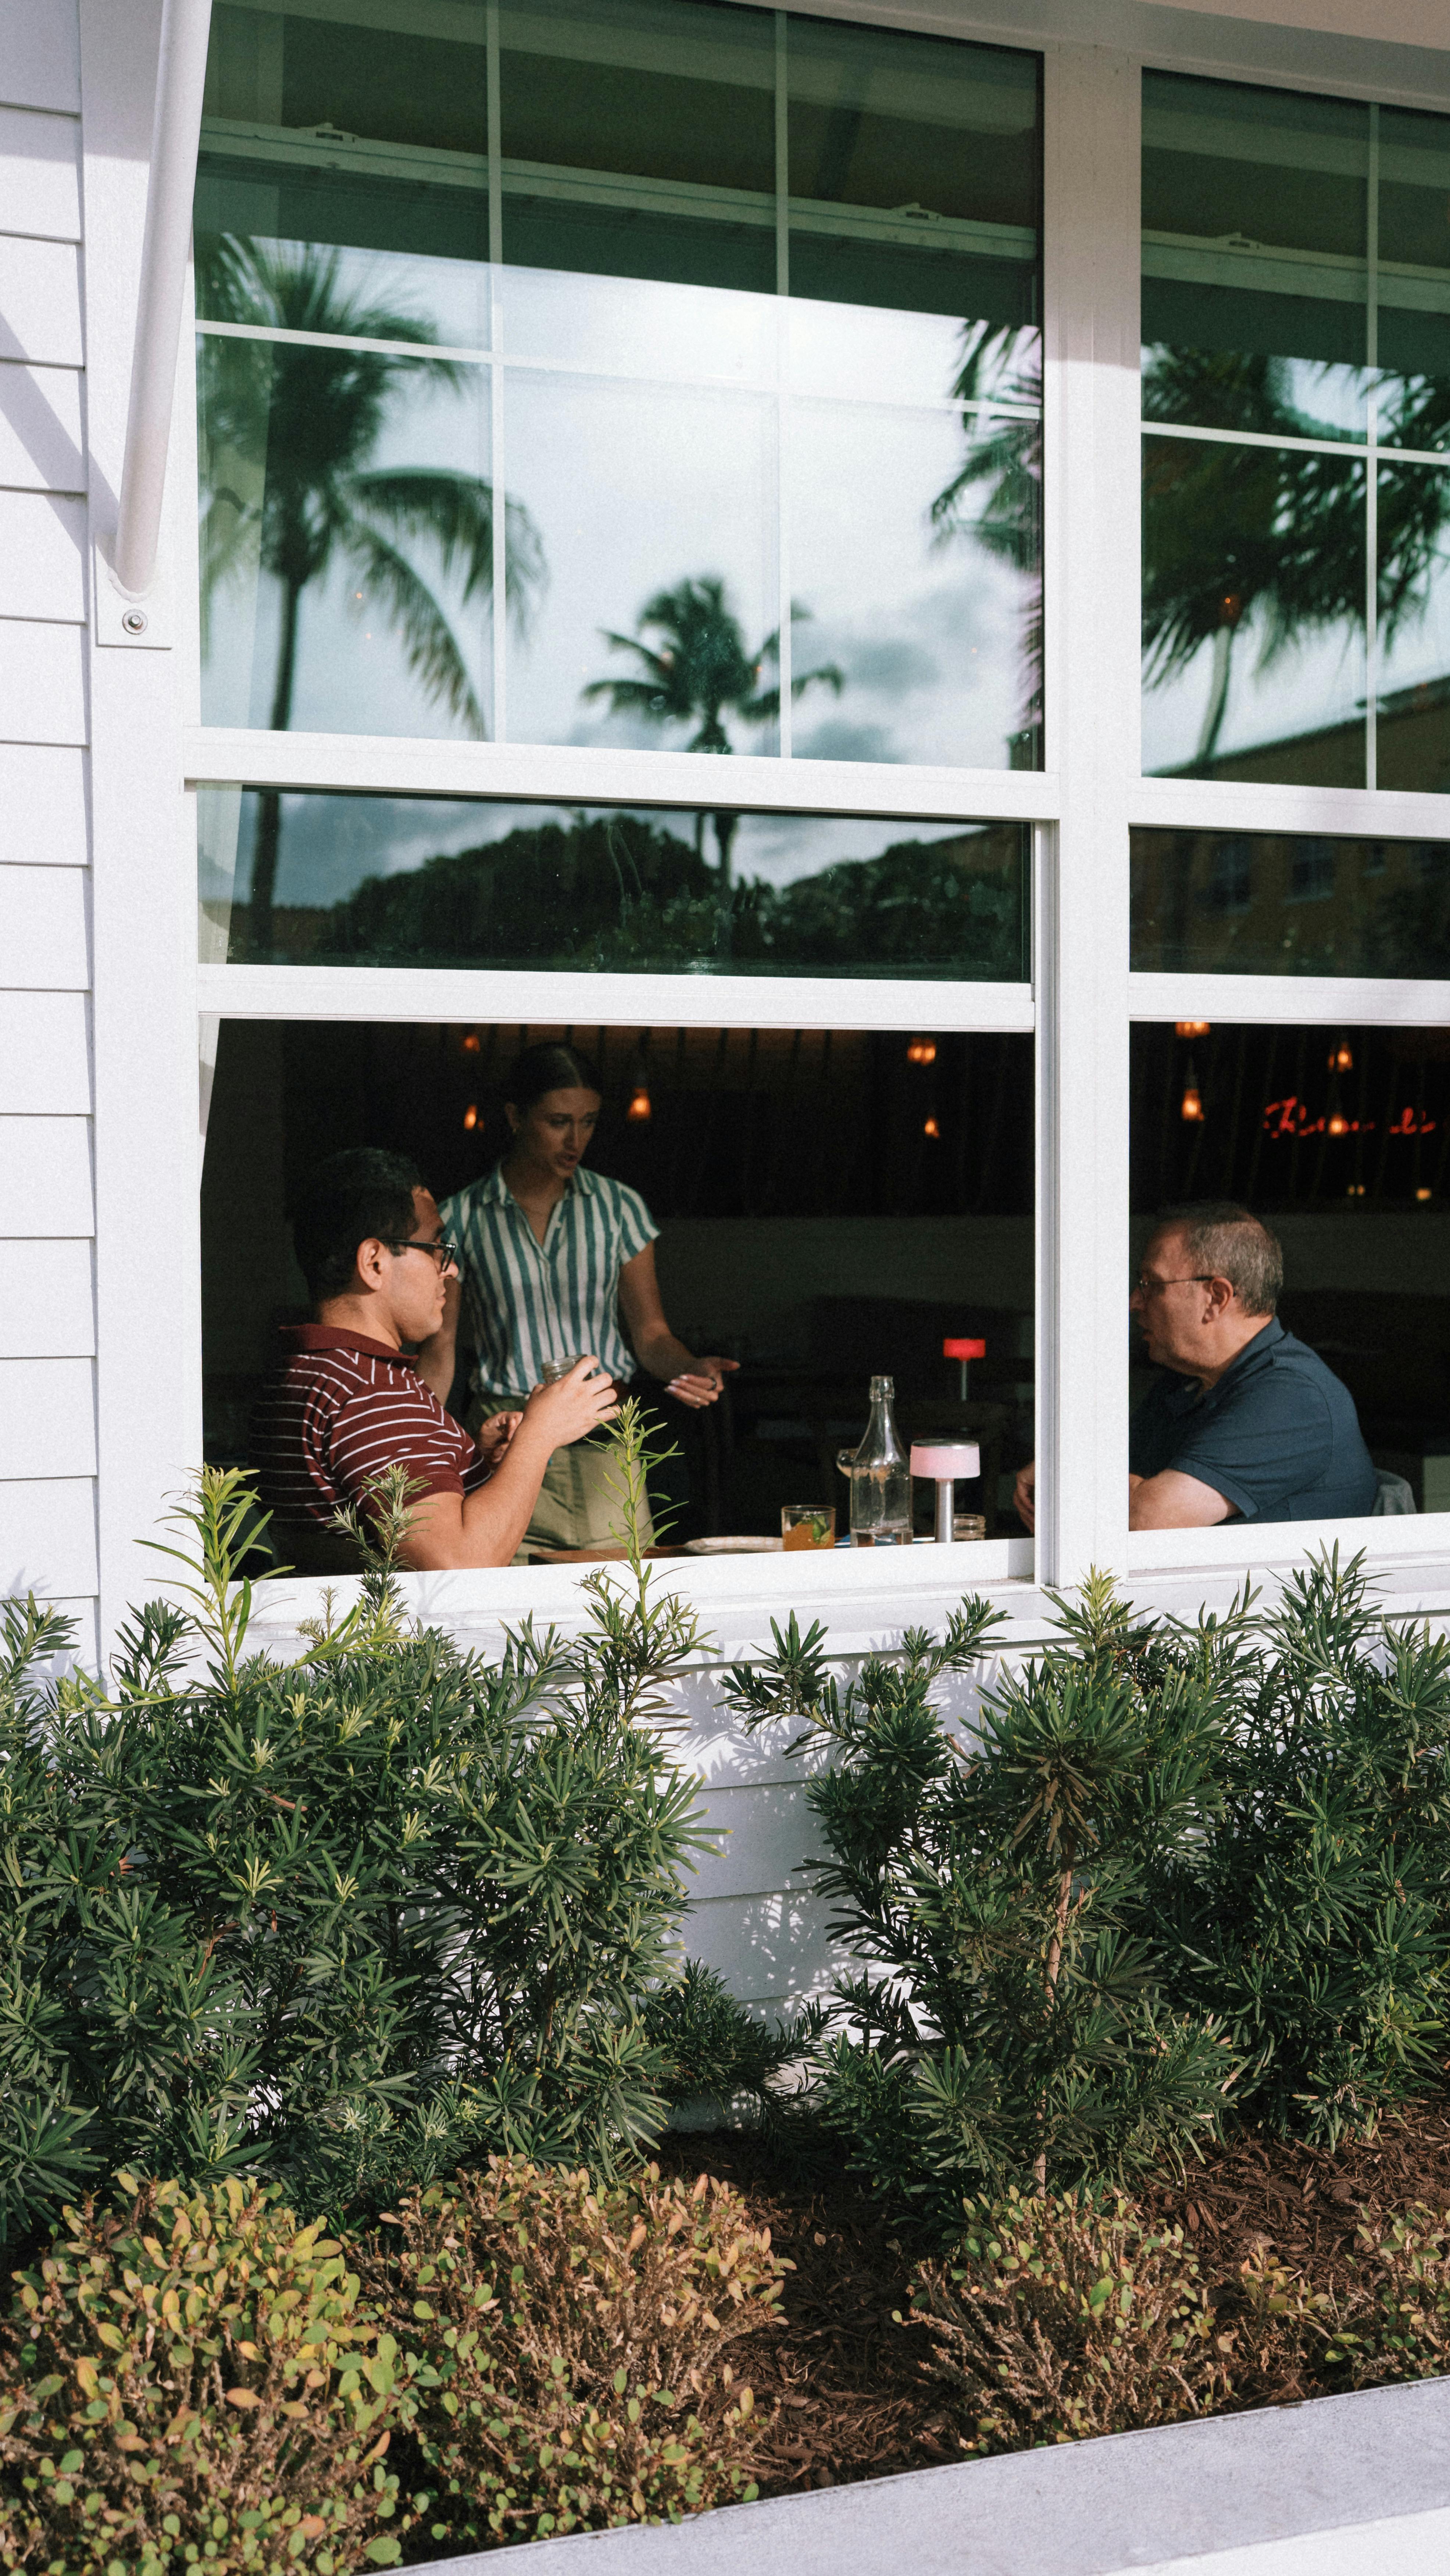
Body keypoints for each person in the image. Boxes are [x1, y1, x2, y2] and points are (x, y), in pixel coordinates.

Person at [419, 1041, 738, 1553]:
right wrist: (417, 1449)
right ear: (515, 1118)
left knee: (623, 1597)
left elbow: (652, 1336)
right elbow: (441, 1350)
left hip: (605, 1433)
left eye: (588, 1122)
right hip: (509, 1434)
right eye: (558, 1121)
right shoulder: (462, 1218)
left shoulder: (618, 1208)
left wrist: (689, 1367)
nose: (576, 1140)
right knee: (509, 1603)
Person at [251, 1146, 617, 1570]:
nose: (451, 1269)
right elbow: (457, 1566)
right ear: (373, 1263)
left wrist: (468, 1461)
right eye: (435, 1247)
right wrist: (539, 1436)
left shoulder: (306, 1371)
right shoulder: (372, 1392)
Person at [1014, 1202, 1376, 1533]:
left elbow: (1145, 1519)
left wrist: (1064, 1477)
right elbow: (1121, 1487)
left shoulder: (1293, 1396)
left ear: (1215, 1299)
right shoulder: (1185, 1384)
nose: (1134, 1302)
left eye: (1150, 1284)